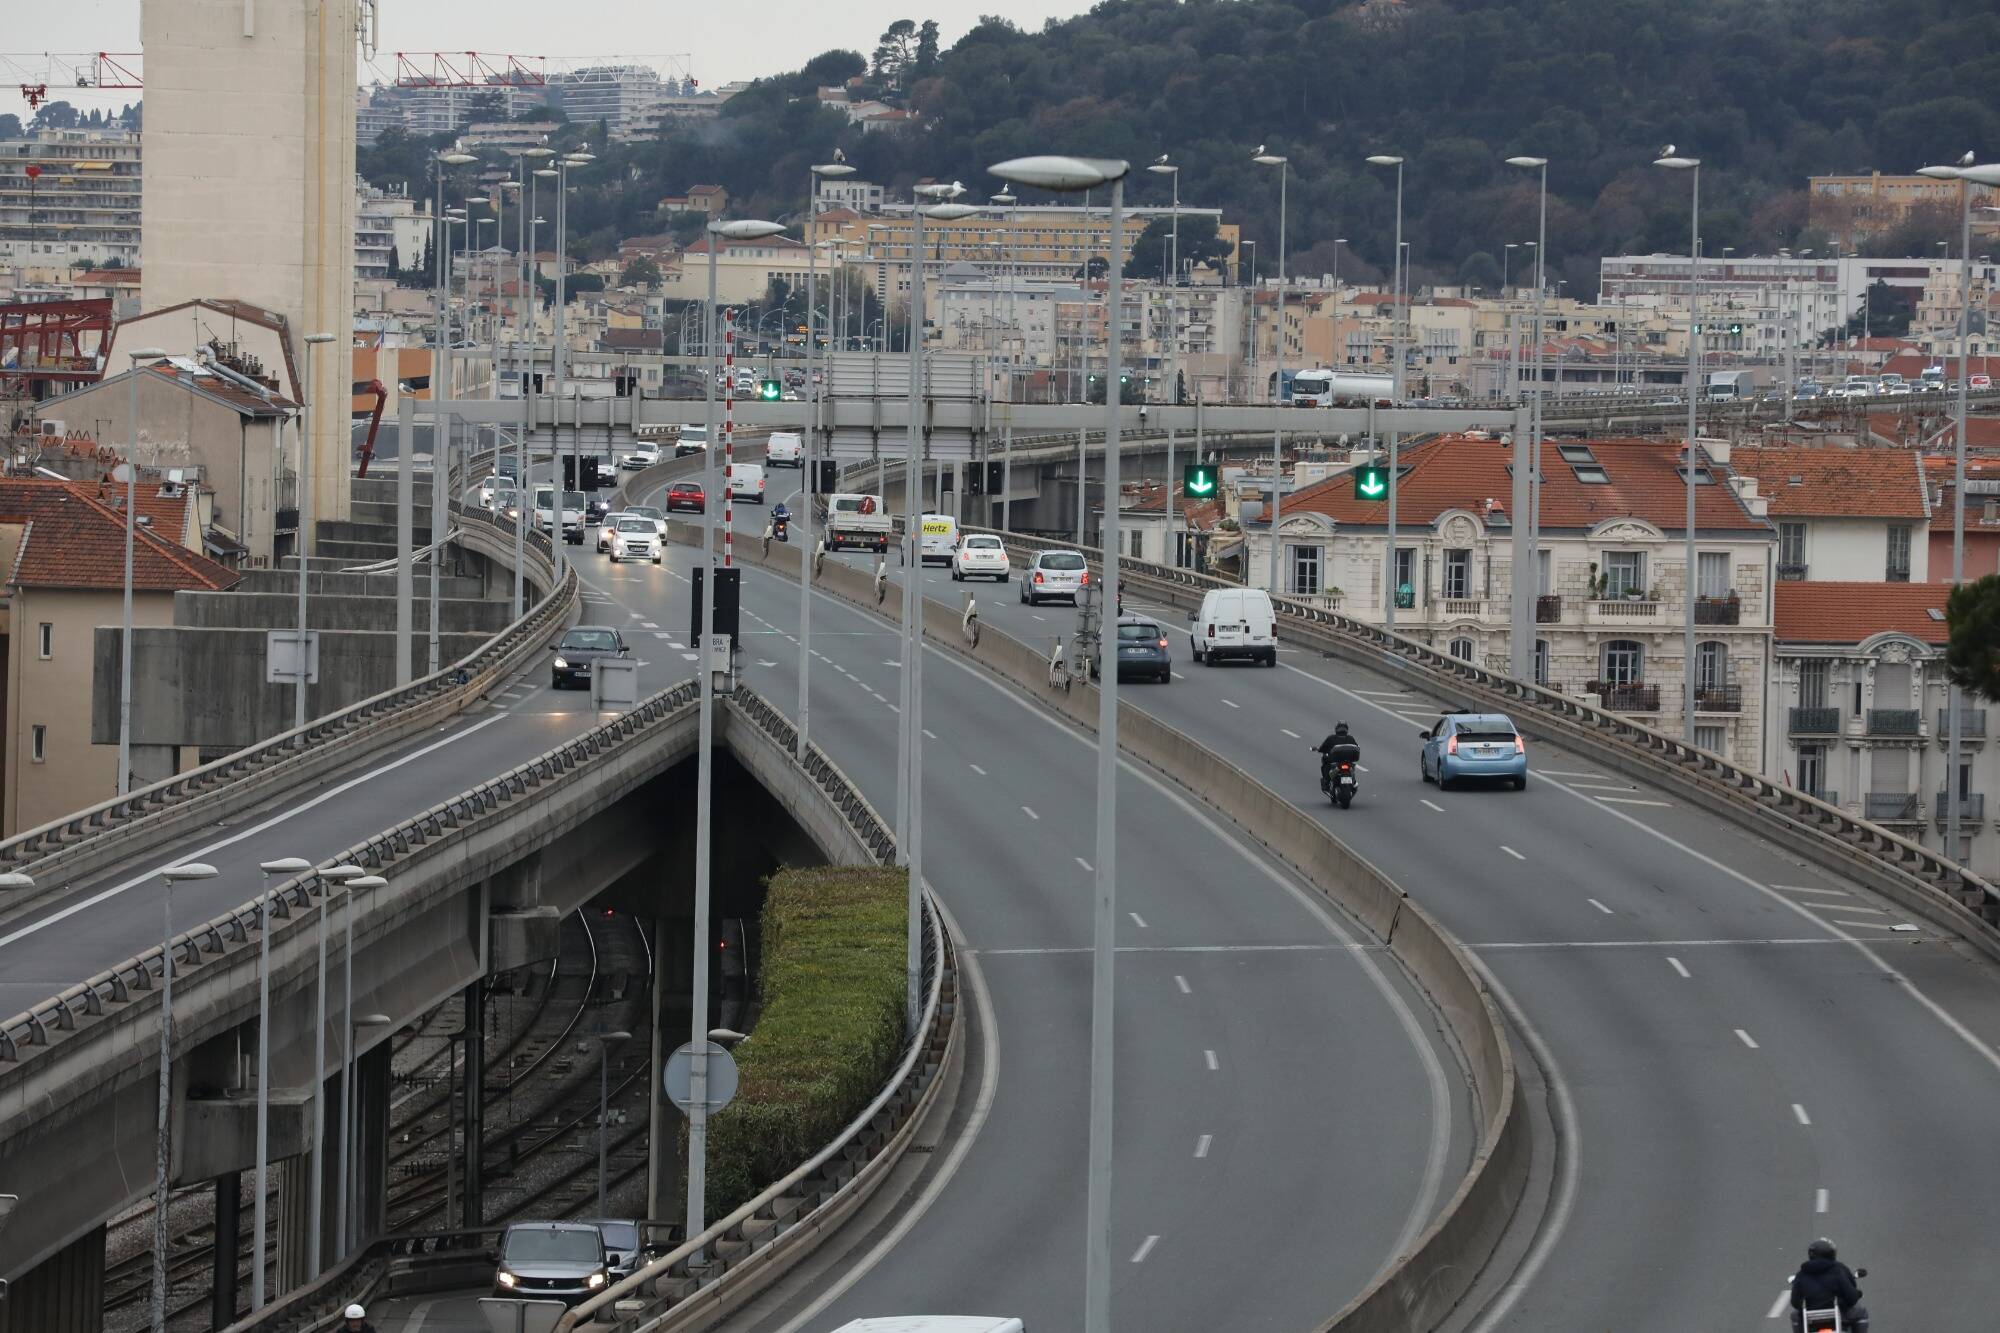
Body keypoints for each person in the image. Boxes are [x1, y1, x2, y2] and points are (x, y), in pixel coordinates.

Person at [1790, 1238, 1867, 1331]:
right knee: (1861, 1312)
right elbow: (1851, 1298)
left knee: (1795, 1315)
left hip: (1810, 1319)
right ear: (1831, 1254)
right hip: (1838, 1315)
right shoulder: (1837, 1271)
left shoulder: (1802, 1274)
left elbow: (1795, 1302)